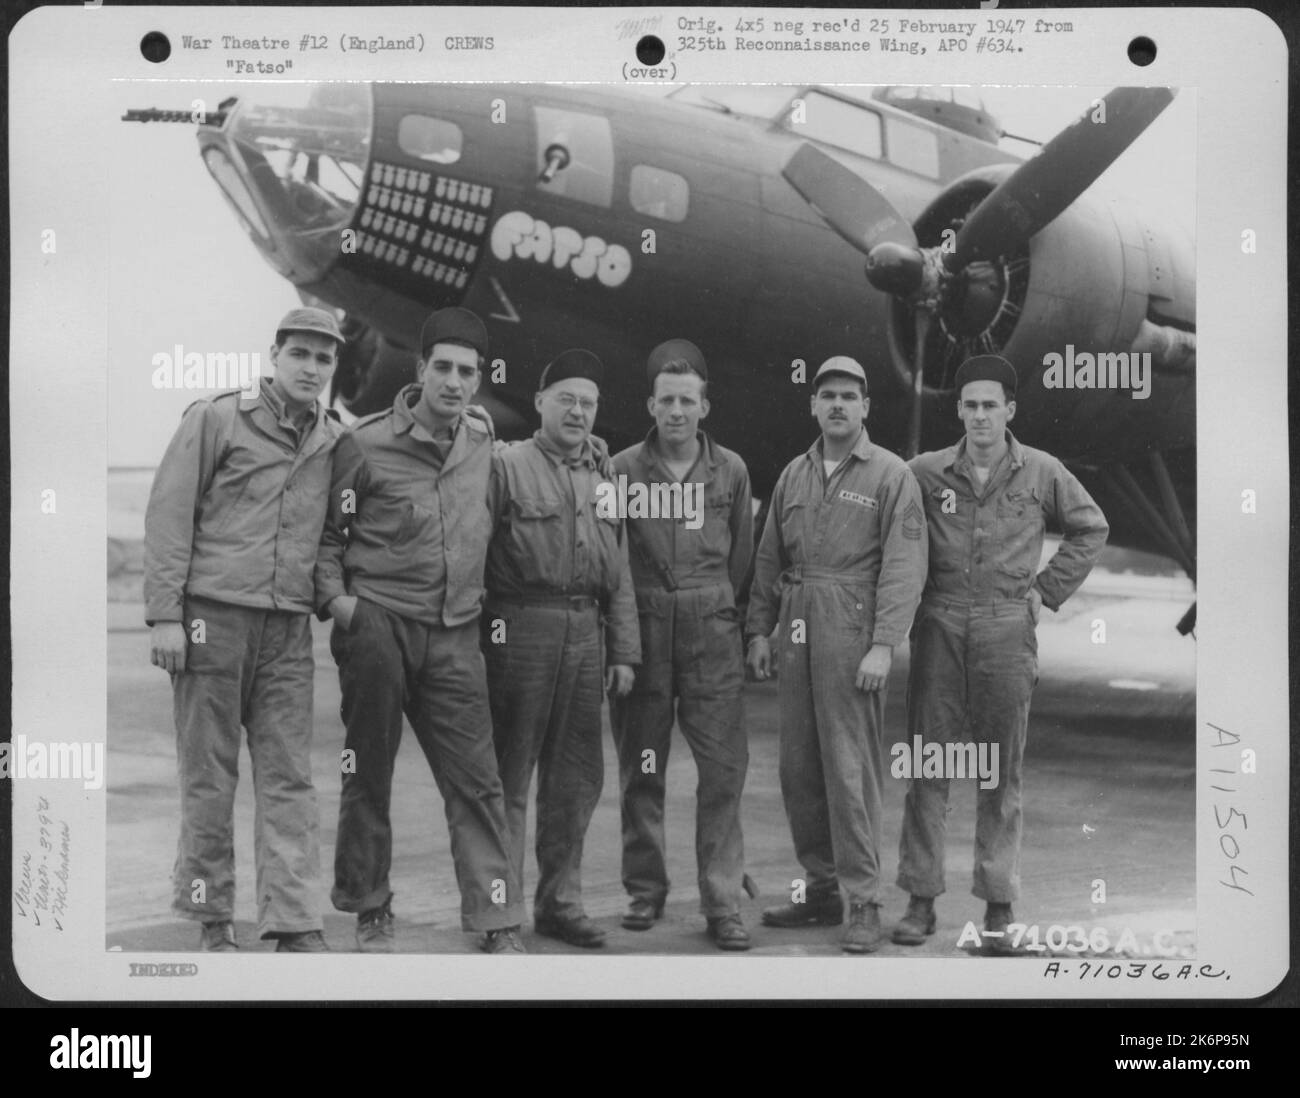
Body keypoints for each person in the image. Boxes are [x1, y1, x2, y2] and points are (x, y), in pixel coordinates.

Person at [315, 306, 526, 954]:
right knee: (368, 774)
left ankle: (496, 918)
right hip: (379, 627)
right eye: (445, 368)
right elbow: (329, 536)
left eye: (469, 371)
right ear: (421, 369)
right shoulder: (366, 443)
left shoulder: (483, 442)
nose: (456, 381)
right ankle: (370, 909)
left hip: (457, 633)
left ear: (480, 377)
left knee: (477, 781)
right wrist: (340, 605)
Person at [145, 307, 346, 952]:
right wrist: (165, 617)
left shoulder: (333, 439)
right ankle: (211, 917)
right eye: (301, 355)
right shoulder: (216, 417)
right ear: (275, 355)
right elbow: (170, 517)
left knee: (290, 775)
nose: (311, 368)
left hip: (287, 630)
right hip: (212, 621)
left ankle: (292, 921)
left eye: (324, 358)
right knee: (210, 773)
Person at [894, 353, 1108, 954]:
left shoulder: (1042, 472)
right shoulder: (925, 472)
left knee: (1000, 771)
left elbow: (1092, 527)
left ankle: (998, 906)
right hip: (938, 625)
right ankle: (920, 899)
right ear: (959, 410)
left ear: (1010, 410)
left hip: (1007, 631)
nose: (981, 416)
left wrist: (1046, 589)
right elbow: (886, 514)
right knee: (929, 766)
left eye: (992, 405)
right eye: (971, 405)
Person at [746, 356, 928, 954]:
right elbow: (769, 555)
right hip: (797, 622)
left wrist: (883, 644)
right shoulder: (794, 475)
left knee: (850, 770)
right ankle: (820, 889)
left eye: (850, 396)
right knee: (799, 767)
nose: (838, 405)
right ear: (814, 405)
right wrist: (759, 630)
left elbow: (904, 567)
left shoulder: (890, 475)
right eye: (828, 396)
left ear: (866, 406)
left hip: (851, 627)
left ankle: (865, 901)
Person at [484, 349, 640, 949]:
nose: (578, 412)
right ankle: (499, 914)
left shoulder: (603, 478)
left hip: (586, 633)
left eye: (589, 403)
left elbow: (618, 567)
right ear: (540, 403)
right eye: (566, 400)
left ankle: (561, 903)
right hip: (520, 627)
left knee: (575, 780)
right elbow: (476, 553)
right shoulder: (506, 468)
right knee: (507, 778)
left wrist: (623, 650)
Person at [610, 339, 755, 951]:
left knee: (723, 770)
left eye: (686, 400)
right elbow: (609, 557)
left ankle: (721, 902)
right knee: (641, 768)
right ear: (651, 404)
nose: (675, 410)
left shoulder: (732, 471)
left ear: (704, 407)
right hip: (643, 628)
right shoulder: (619, 470)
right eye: (666, 399)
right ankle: (645, 889)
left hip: (711, 631)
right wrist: (619, 641)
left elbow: (745, 554)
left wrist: (744, 627)